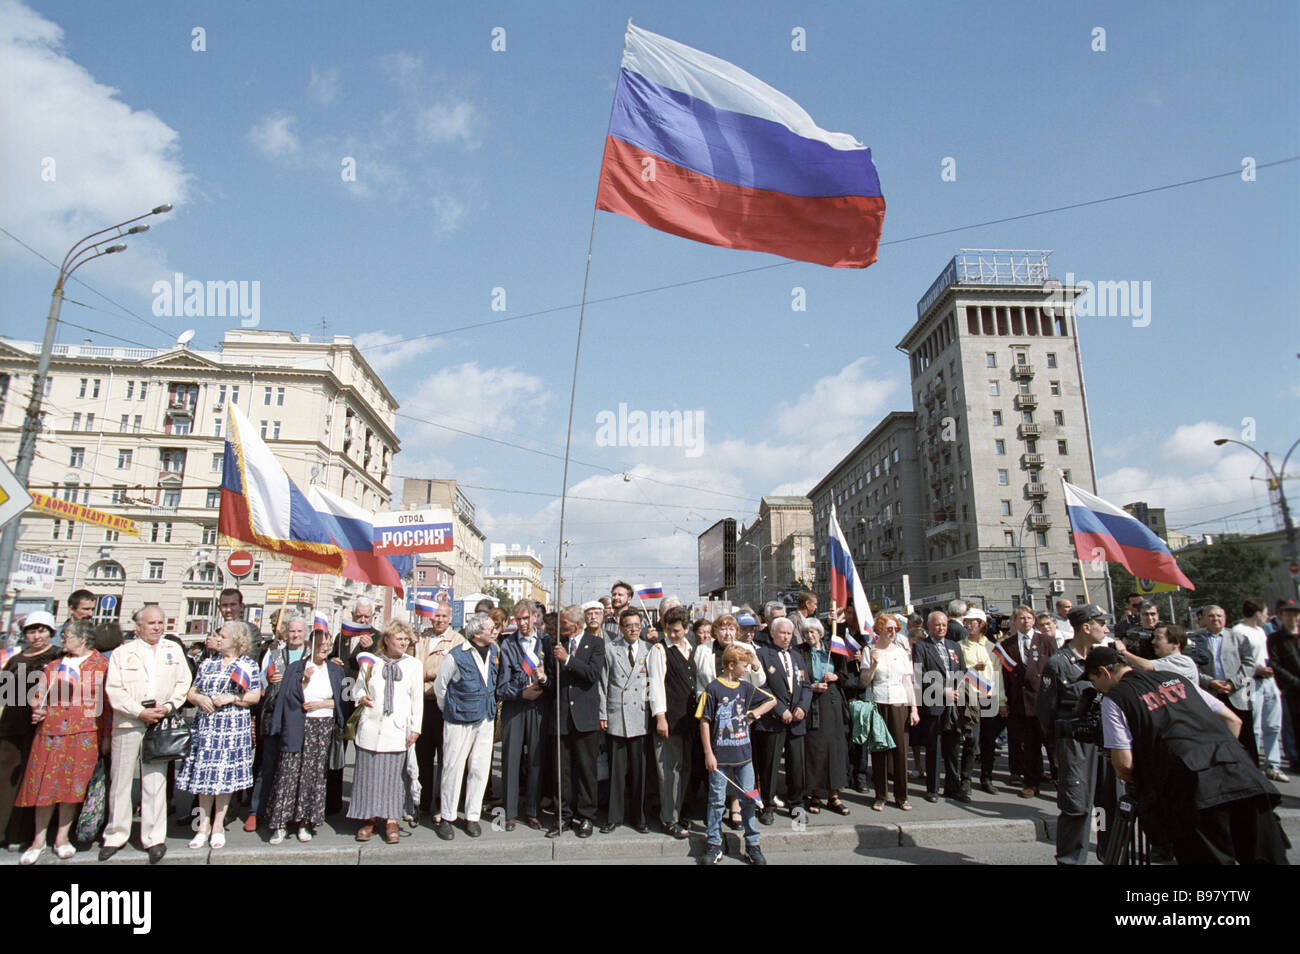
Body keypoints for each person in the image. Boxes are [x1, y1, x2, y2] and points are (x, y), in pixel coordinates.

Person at [1085, 646, 1288, 864]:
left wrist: (1146, 784)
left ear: (1105, 672)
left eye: (1094, 682)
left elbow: (1124, 764)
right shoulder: (1175, 678)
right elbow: (1232, 721)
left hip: (1193, 792)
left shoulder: (1115, 699)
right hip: (1243, 775)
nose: (1098, 689)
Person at [101, 605, 193, 862]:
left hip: (160, 722)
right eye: (151, 623)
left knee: (155, 781)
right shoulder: (122, 653)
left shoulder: (173, 650)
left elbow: (183, 682)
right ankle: (116, 834)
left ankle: (154, 838)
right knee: (120, 781)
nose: (157, 627)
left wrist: (170, 705)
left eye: (160, 622)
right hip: (129, 722)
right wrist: (138, 712)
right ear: (138, 626)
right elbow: (115, 690)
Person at [14, 619, 111, 864]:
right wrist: (37, 708)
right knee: (43, 787)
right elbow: (38, 696)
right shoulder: (55, 665)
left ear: (83, 638)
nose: (62, 639)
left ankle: (61, 838)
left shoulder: (102, 665)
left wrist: (107, 736)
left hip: (85, 733)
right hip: (51, 732)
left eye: (67, 635)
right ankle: (38, 840)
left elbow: (108, 706)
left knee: (72, 789)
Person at [178, 620, 262, 850]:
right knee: (204, 779)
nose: (218, 638)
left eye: (223, 636)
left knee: (224, 781)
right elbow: (192, 690)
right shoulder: (208, 663)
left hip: (232, 729)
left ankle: (217, 825)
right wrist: (198, 698)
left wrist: (233, 698)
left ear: (236, 640)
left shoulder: (247, 665)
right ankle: (202, 826)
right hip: (207, 727)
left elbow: (255, 695)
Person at [1037, 603, 1111, 865]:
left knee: (1106, 804)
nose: (1106, 628)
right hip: (1076, 742)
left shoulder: (1104, 658)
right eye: (1101, 624)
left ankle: (1107, 854)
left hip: (1106, 740)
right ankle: (1070, 860)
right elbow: (1046, 711)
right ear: (1086, 627)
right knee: (1076, 805)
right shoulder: (1058, 664)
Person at [697, 644, 776, 865]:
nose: (747, 670)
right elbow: (704, 722)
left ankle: (752, 843)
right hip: (719, 756)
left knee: (749, 800)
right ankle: (714, 843)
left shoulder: (746, 688)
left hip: (744, 755)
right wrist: (708, 753)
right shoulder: (712, 689)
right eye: (744, 666)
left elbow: (772, 700)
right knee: (716, 801)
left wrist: (754, 714)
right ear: (731, 666)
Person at [265, 628, 346, 844]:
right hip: (298, 725)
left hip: (323, 727)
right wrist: (304, 681)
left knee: (314, 776)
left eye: (326, 645)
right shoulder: (296, 668)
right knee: (288, 773)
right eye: (319, 645)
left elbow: (341, 702)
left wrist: (322, 704)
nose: (323, 648)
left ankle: (305, 821)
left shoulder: (335, 670)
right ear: (310, 645)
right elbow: (287, 699)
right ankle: (281, 823)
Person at [349, 621, 422, 844]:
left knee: (394, 779)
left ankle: (391, 820)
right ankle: (369, 819)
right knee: (369, 777)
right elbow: (357, 687)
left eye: (406, 639)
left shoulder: (413, 665)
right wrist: (360, 696)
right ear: (387, 640)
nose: (403, 642)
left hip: (397, 729)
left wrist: (416, 728)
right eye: (399, 638)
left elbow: (416, 700)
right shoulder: (371, 661)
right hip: (371, 727)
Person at [0, 611, 63, 849]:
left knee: (33, 778)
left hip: (41, 725)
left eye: (42, 631)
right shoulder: (17, 659)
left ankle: (22, 833)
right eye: (32, 631)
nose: (37, 636)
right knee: (7, 779)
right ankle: (3, 831)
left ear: (50, 633)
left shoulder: (56, 656)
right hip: (12, 725)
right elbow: (4, 694)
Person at [433, 613, 498, 840]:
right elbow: (440, 687)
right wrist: (452, 709)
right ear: (477, 633)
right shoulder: (456, 655)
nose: (495, 631)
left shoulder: (494, 652)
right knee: (453, 767)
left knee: (479, 769)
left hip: (485, 719)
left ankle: (472, 816)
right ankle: (448, 817)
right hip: (459, 720)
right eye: (491, 628)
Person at [545, 604, 605, 838]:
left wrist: (568, 660)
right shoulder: (556, 644)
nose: (562, 628)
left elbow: (592, 675)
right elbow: (553, 678)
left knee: (586, 769)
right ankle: (563, 816)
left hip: (585, 717)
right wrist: (543, 678)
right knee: (562, 770)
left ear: (577, 624)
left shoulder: (595, 644)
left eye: (566, 624)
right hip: (561, 715)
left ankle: (587, 816)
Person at [247, 612, 308, 831]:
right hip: (274, 715)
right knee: (268, 764)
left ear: (306, 634)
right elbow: (259, 682)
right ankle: (256, 810)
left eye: (300, 631)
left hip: (300, 717)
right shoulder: (274, 654)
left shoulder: (310, 656)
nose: (295, 635)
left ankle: (292, 813)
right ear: (285, 632)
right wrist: (269, 680)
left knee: (295, 768)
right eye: (292, 631)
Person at [752, 617, 811, 824]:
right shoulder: (762, 655)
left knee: (797, 766)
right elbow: (761, 686)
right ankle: (767, 806)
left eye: (789, 633)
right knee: (769, 765)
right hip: (772, 721)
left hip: (796, 720)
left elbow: (806, 685)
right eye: (783, 633)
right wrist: (780, 710)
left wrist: (802, 707)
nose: (787, 637)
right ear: (773, 634)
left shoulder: (797, 656)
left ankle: (797, 805)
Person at [497, 599, 549, 831]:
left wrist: (543, 682)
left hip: (539, 707)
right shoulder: (508, 644)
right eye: (518, 619)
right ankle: (510, 813)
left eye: (526, 618)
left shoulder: (546, 642)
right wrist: (521, 693)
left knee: (536, 759)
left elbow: (555, 678)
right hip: (516, 706)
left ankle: (532, 811)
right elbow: (501, 686)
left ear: (535, 618)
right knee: (511, 758)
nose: (523, 623)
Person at [600, 609, 651, 833]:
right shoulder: (611, 650)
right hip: (616, 716)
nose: (633, 629)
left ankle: (638, 817)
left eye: (636, 625)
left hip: (640, 716)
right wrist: (602, 714)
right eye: (628, 625)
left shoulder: (649, 650)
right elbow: (603, 685)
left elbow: (652, 684)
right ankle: (614, 816)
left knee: (639, 772)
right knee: (617, 771)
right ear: (621, 628)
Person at [413, 601, 464, 823]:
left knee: (446, 758)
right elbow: (411, 664)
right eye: (436, 616)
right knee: (422, 757)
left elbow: (454, 669)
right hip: (420, 704)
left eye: (444, 616)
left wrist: (428, 673)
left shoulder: (457, 640)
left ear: (450, 618)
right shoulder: (421, 639)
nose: (440, 620)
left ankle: (442, 804)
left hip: (443, 705)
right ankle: (422, 803)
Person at [648, 606, 696, 838]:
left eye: (677, 631)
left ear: (686, 629)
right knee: (669, 772)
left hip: (688, 722)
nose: (672, 635)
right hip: (669, 720)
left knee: (684, 769)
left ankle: (677, 812)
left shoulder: (690, 648)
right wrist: (660, 717)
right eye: (669, 630)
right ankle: (668, 818)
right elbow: (656, 685)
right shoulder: (660, 650)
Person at [861, 612, 917, 810]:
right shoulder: (870, 650)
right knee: (880, 750)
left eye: (895, 629)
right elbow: (865, 680)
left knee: (901, 751)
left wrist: (914, 709)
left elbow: (908, 682)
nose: (892, 632)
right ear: (880, 630)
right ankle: (881, 795)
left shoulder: (901, 652)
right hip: (878, 702)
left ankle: (902, 796)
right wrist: (874, 665)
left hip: (899, 702)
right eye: (889, 629)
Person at [800, 618, 856, 815]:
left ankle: (834, 795)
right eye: (806, 633)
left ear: (820, 633)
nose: (810, 636)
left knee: (835, 748)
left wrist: (836, 677)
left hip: (832, 703)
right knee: (815, 749)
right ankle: (814, 793)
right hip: (813, 702)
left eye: (813, 632)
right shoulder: (800, 652)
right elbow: (798, 678)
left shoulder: (833, 649)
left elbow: (845, 674)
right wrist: (811, 686)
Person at [1000, 605, 1055, 798]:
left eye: (1028, 618)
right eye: (1021, 618)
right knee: (1028, 745)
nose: (1025, 621)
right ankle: (1032, 781)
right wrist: (1005, 700)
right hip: (1020, 702)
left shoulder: (1046, 641)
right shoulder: (1008, 645)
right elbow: (1005, 676)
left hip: (1043, 700)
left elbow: (1055, 670)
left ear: (1034, 620)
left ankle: (1059, 780)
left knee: (1051, 744)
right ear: (1015, 622)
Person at [913, 610, 968, 803]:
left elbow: (961, 670)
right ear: (929, 626)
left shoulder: (954, 646)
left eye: (944, 624)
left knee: (953, 748)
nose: (941, 628)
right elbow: (919, 675)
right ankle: (933, 788)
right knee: (934, 747)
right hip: (933, 703)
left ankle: (954, 787)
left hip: (953, 705)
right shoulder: (921, 646)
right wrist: (942, 690)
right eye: (937, 625)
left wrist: (957, 688)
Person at [1193, 605, 1257, 764]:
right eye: (1211, 616)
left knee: (1246, 737)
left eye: (1219, 616)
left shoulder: (1239, 638)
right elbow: (1192, 667)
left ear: (1225, 618)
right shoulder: (1195, 640)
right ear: (1205, 619)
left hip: (1238, 694)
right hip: (1211, 694)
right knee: (1216, 736)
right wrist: (1210, 682)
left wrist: (1233, 683)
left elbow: (1249, 665)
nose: (1215, 619)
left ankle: (1252, 771)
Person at [1233, 598, 1286, 780]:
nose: (1266, 616)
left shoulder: (1261, 632)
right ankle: (1252, 764)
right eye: (1264, 612)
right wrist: (1256, 669)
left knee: (1273, 724)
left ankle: (1273, 764)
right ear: (1257, 612)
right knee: (1253, 725)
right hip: (1250, 682)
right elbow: (1237, 659)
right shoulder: (1239, 631)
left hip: (1269, 681)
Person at [959, 607, 1005, 795]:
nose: (969, 625)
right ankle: (966, 779)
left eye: (973, 622)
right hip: (970, 697)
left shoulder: (992, 648)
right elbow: (956, 672)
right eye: (967, 622)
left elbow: (998, 676)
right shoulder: (960, 646)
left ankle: (987, 777)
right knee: (971, 740)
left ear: (982, 624)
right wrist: (971, 668)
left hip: (989, 697)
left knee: (989, 741)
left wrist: (1002, 700)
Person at [1267, 601, 1300, 773]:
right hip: (1290, 688)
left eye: (1294, 614)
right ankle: (1295, 760)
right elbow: (1275, 664)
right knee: (1293, 725)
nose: (1291, 618)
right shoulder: (1275, 639)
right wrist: (1294, 681)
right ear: (1280, 616)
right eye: (1287, 614)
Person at [1118, 623, 1199, 681]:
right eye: (1153, 638)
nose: (1153, 642)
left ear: (1176, 644)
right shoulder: (1163, 662)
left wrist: (1123, 651)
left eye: (1158, 638)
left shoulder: (1183, 661)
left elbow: (1145, 666)